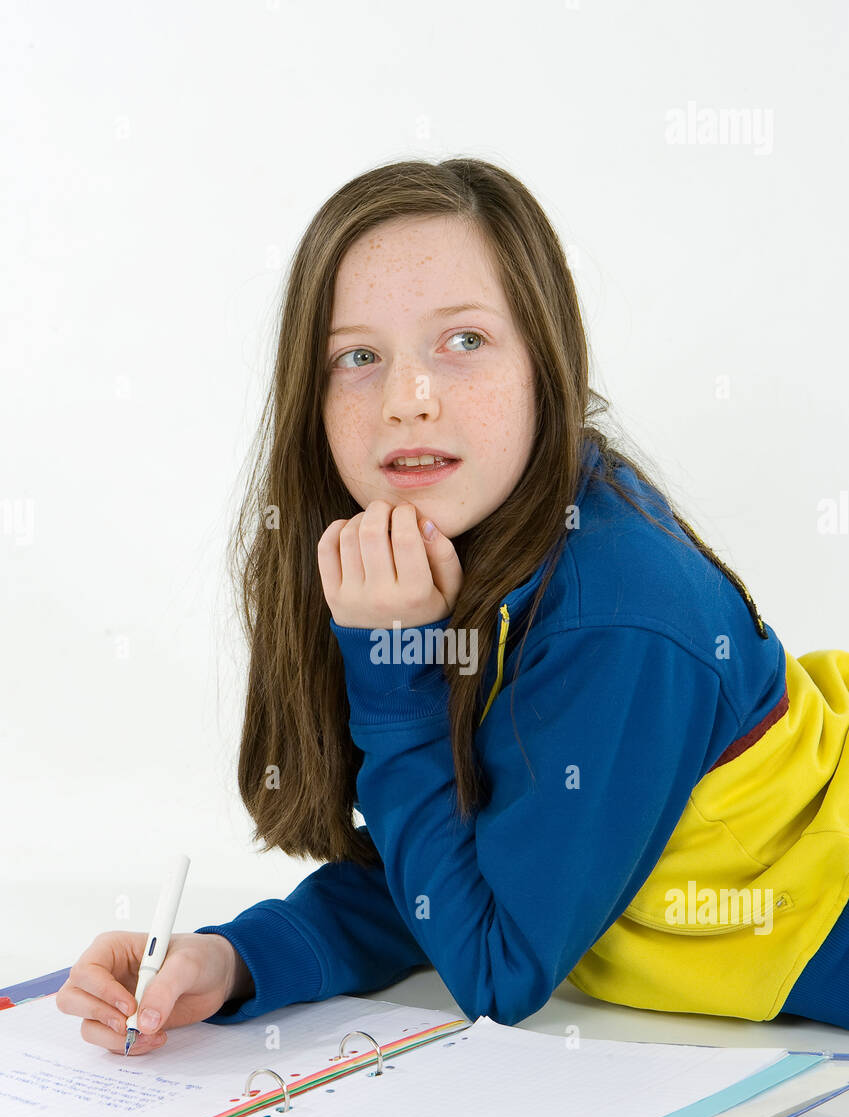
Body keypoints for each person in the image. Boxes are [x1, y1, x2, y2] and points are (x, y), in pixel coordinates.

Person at [57, 157, 849, 1055]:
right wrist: (238, 958)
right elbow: (476, 861)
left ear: (546, 364)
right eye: (357, 357)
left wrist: (393, 669)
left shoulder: (614, 616)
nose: (407, 401)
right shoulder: (473, 543)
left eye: (462, 342)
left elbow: (497, 966)